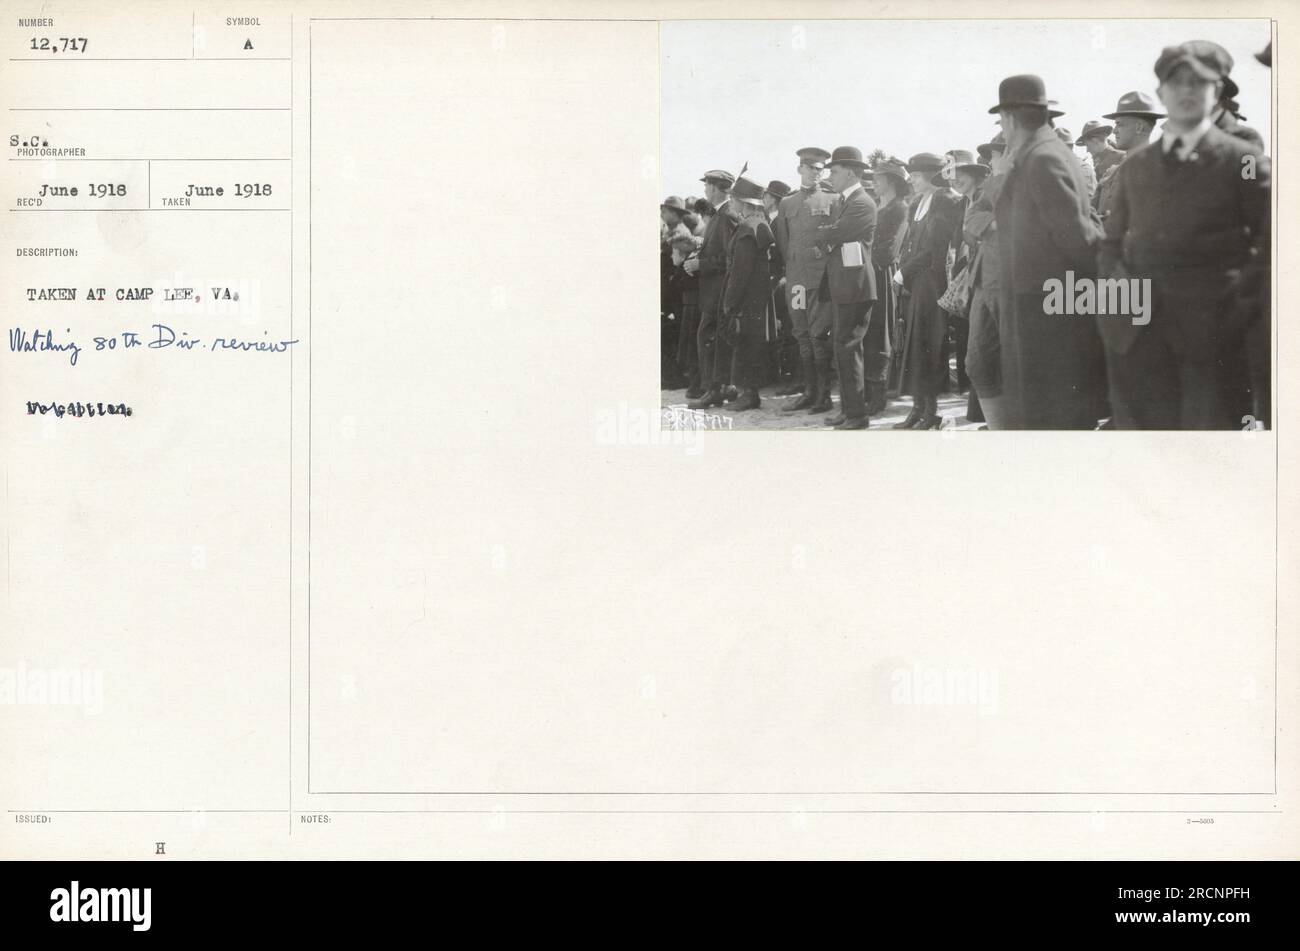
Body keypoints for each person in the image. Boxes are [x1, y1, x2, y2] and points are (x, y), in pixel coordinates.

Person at [1098, 41, 1270, 429]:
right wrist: (1117, 308)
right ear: (1161, 94)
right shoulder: (1137, 164)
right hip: (1141, 337)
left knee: (1212, 453)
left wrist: (1240, 305)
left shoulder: (1242, 158)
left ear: (1216, 93)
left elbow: (1271, 241)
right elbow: (1111, 243)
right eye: (1177, 83)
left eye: (1200, 83)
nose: (1187, 92)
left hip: (1216, 340)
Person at [992, 74, 1104, 430]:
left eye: (1001, 122)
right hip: (1046, 303)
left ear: (1009, 119)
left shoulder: (1042, 158)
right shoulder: (1042, 153)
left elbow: (1076, 233)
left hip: (1048, 309)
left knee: (1054, 416)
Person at [814, 146, 878, 430]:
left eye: (835, 171)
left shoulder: (862, 202)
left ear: (851, 173)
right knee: (843, 349)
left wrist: (823, 235)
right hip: (846, 285)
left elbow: (837, 233)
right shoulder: (848, 201)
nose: (831, 176)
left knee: (848, 348)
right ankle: (848, 410)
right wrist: (828, 235)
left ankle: (856, 415)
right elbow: (836, 234)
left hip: (855, 287)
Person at [894, 152, 958, 429]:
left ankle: (930, 411)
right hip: (916, 283)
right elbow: (911, 245)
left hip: (933, 282)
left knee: (930, 345)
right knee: (915, 345)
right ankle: (917, 409)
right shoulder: (918, 203)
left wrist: (902, 272)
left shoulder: (945, 202)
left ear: (930, 176)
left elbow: (934, 249)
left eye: (917, 176)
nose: (912, 181)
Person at [777, 147, 838, 414]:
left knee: (819, 336)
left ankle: (823, 396)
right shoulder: (787, 203)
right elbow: (782, 241)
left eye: (819, 169)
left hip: (821, 280)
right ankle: (809, 391)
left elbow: (836, 237)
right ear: (799, 169)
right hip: (797, 281)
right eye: (810, 168)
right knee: (801, 333)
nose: (815, 173)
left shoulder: (833, 199)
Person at [717, 175, 776, 412]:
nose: (731, 201)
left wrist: (730, 303)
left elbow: (740, 271)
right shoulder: (760, 224)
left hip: (745, 297)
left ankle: (748, 394)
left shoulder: (746, 230)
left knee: (745, 345)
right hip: (757, 295)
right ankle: (748, 392)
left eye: (734, 198)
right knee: (751, 343)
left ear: (744, 202)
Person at [963, 137, 1010, 428]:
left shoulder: (1045, 176)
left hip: (1018, 283)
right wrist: (994, 224)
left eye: (993, 157)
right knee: (977, 363)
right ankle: (999, 431)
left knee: (1023, 366)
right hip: (985, 281)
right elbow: (971, 218)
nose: (990, 164)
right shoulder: (993, 184)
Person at [687, 170, 737, 410]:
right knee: (713, 339)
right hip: (713, 290)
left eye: (707, 186)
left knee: (707, 337)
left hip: (718, 291)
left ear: (716, 188)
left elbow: (729, 259)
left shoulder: (726, 216)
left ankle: (712, 390)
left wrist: (700, 264)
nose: (705, 190)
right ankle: (719, 387)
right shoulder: (721, 215)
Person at [871, 159, 910, 410]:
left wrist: (867, 258)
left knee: (882, 330)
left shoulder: (899, 208)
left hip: (884, 273)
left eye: (879, 177)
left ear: (892, 181)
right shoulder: (878, 206)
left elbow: (890, 249)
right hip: (870, 271)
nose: (874, 182)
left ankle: (879, 394)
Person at [1095, 91, 1165, 218]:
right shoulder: (1112, 172)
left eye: (1119, 124)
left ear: (1139, 127)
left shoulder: (1159, 172)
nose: (1114, 131)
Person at [763, 180, 798, 393]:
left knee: (789, 328)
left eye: (767, 196)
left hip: (785, 281)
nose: (763, 199)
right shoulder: (771, 221)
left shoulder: (781, 223)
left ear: (775, 200)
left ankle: (793, 378)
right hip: (775, 281)